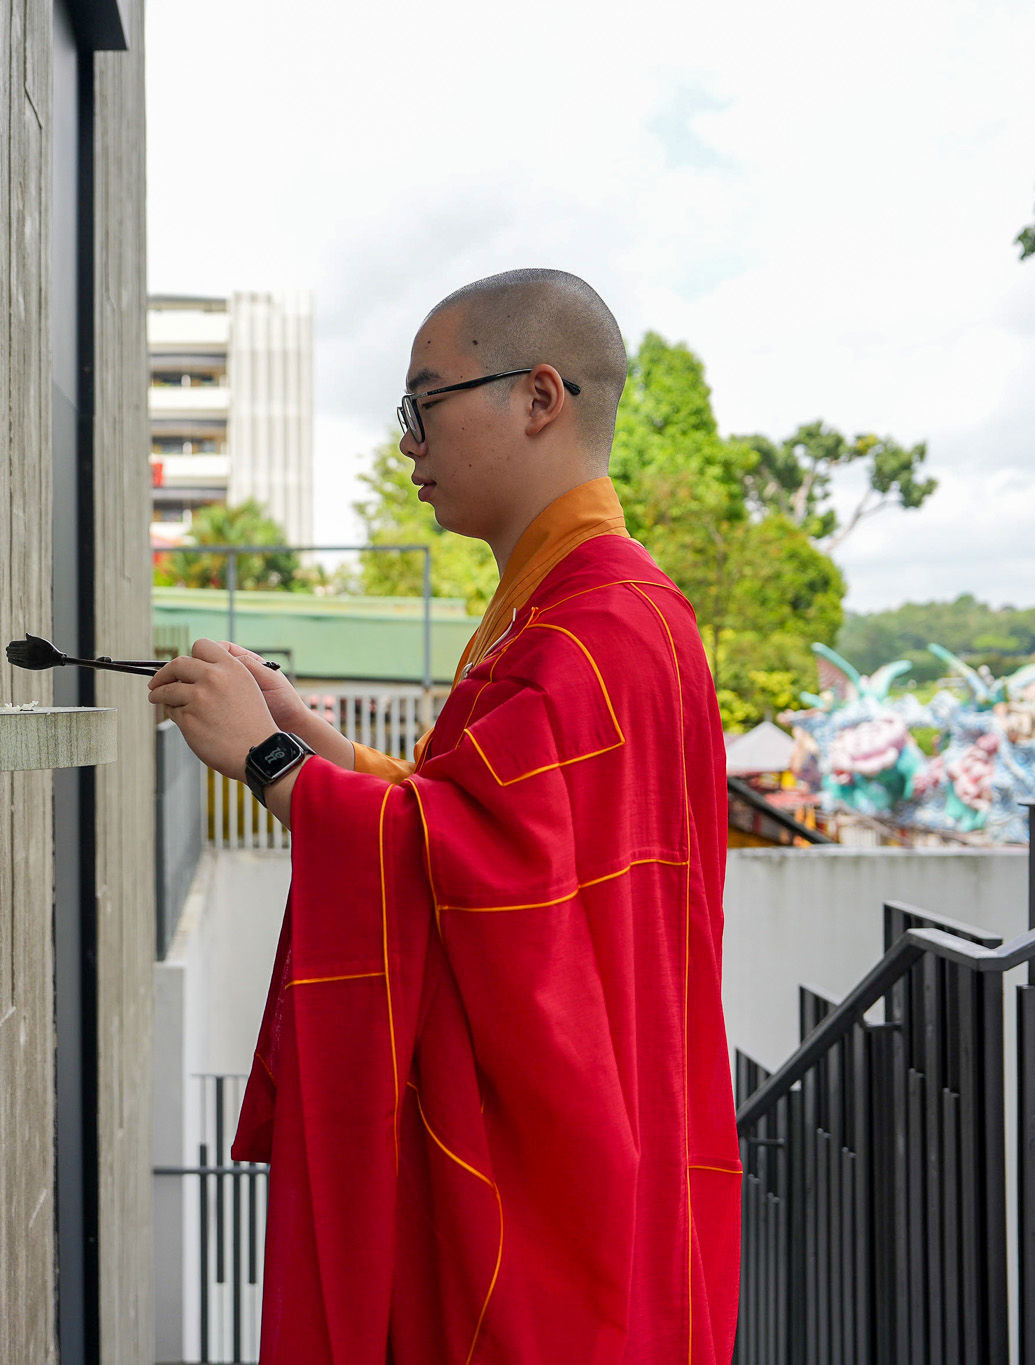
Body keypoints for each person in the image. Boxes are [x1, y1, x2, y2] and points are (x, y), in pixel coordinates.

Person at [147, 268, 739, 1364]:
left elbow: (485, 876)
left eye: (423, 404)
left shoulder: (586, 634)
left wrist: (269, 763)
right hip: (624, 1115)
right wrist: (321, 745)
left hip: (549, 1181)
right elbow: (476, 825)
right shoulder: (611, 612)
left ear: (538, 397)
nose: (405, 444)